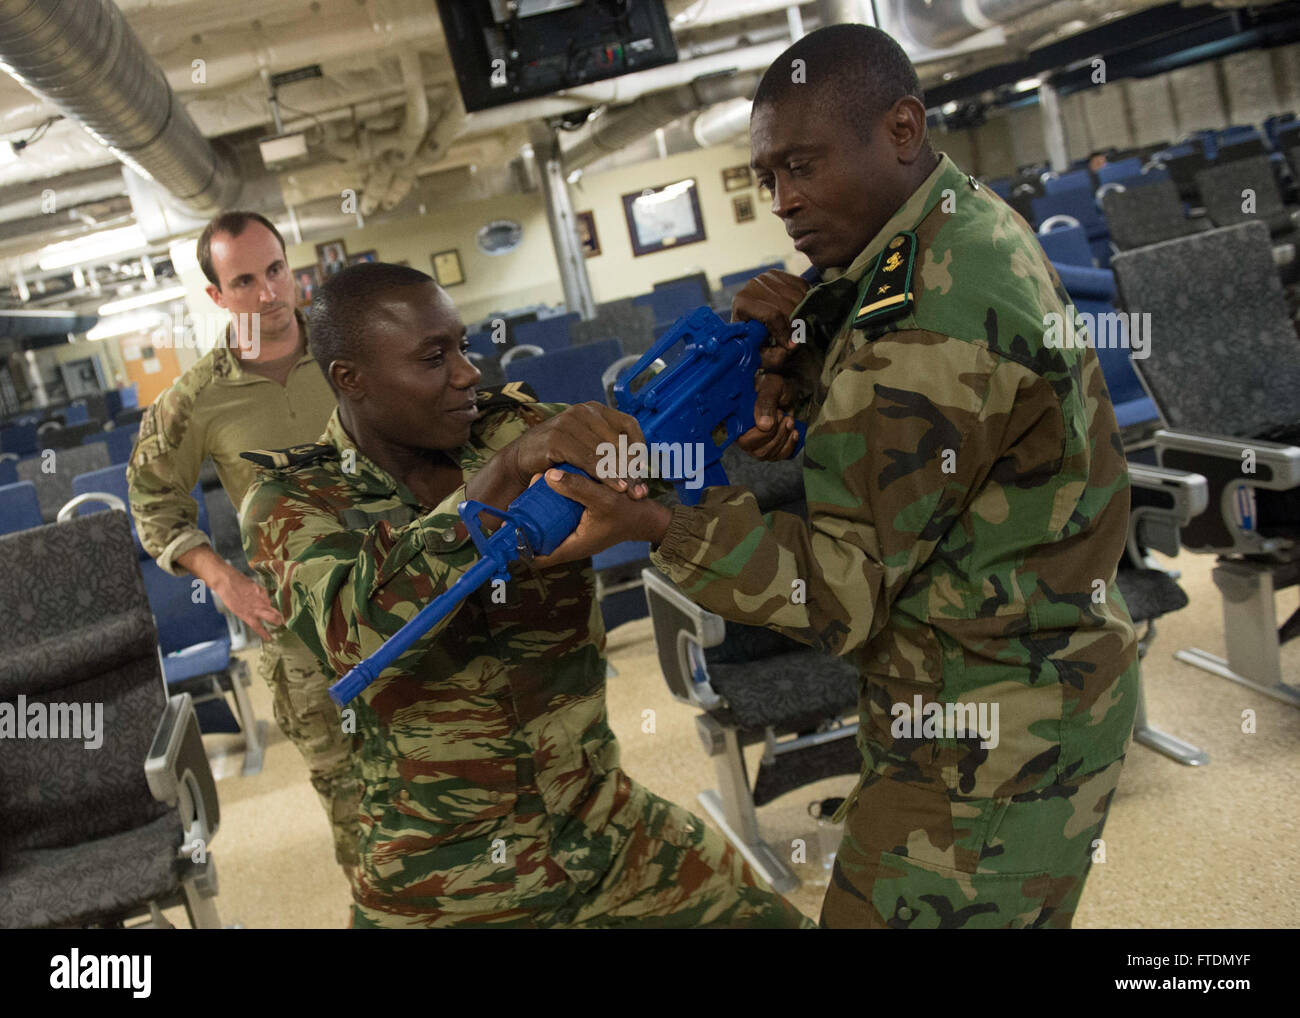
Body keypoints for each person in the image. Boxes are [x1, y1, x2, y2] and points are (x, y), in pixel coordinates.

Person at [535, 24, 1139, 929]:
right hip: (988, 681)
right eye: (768, 175)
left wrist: (657, 521)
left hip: (998, 729)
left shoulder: (927, 321)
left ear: (902, 128)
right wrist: (799, 347)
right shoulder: (946, 225)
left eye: (803, 166)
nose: (784, 198)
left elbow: (837, 592)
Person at [238, 262, 811, 929]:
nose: (466, 373)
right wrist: (502, 476)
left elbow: (656, 478)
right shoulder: (293, 503)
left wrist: (750, 392)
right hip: (444, 888)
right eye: (433, 358)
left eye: (460, 344)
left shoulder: (519, 426)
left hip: (605, 834)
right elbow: (355, 624)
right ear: (350, 380)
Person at [126, 211, 361, 872]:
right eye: (246, 280)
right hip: (301, 627)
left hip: (404, 590)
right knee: (349, 796)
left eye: (278, 270)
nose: (269, 294)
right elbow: (152, 502)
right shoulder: (194, 399)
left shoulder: (354, 350)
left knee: (452, 764)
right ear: (216, 296)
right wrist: (223, 578)